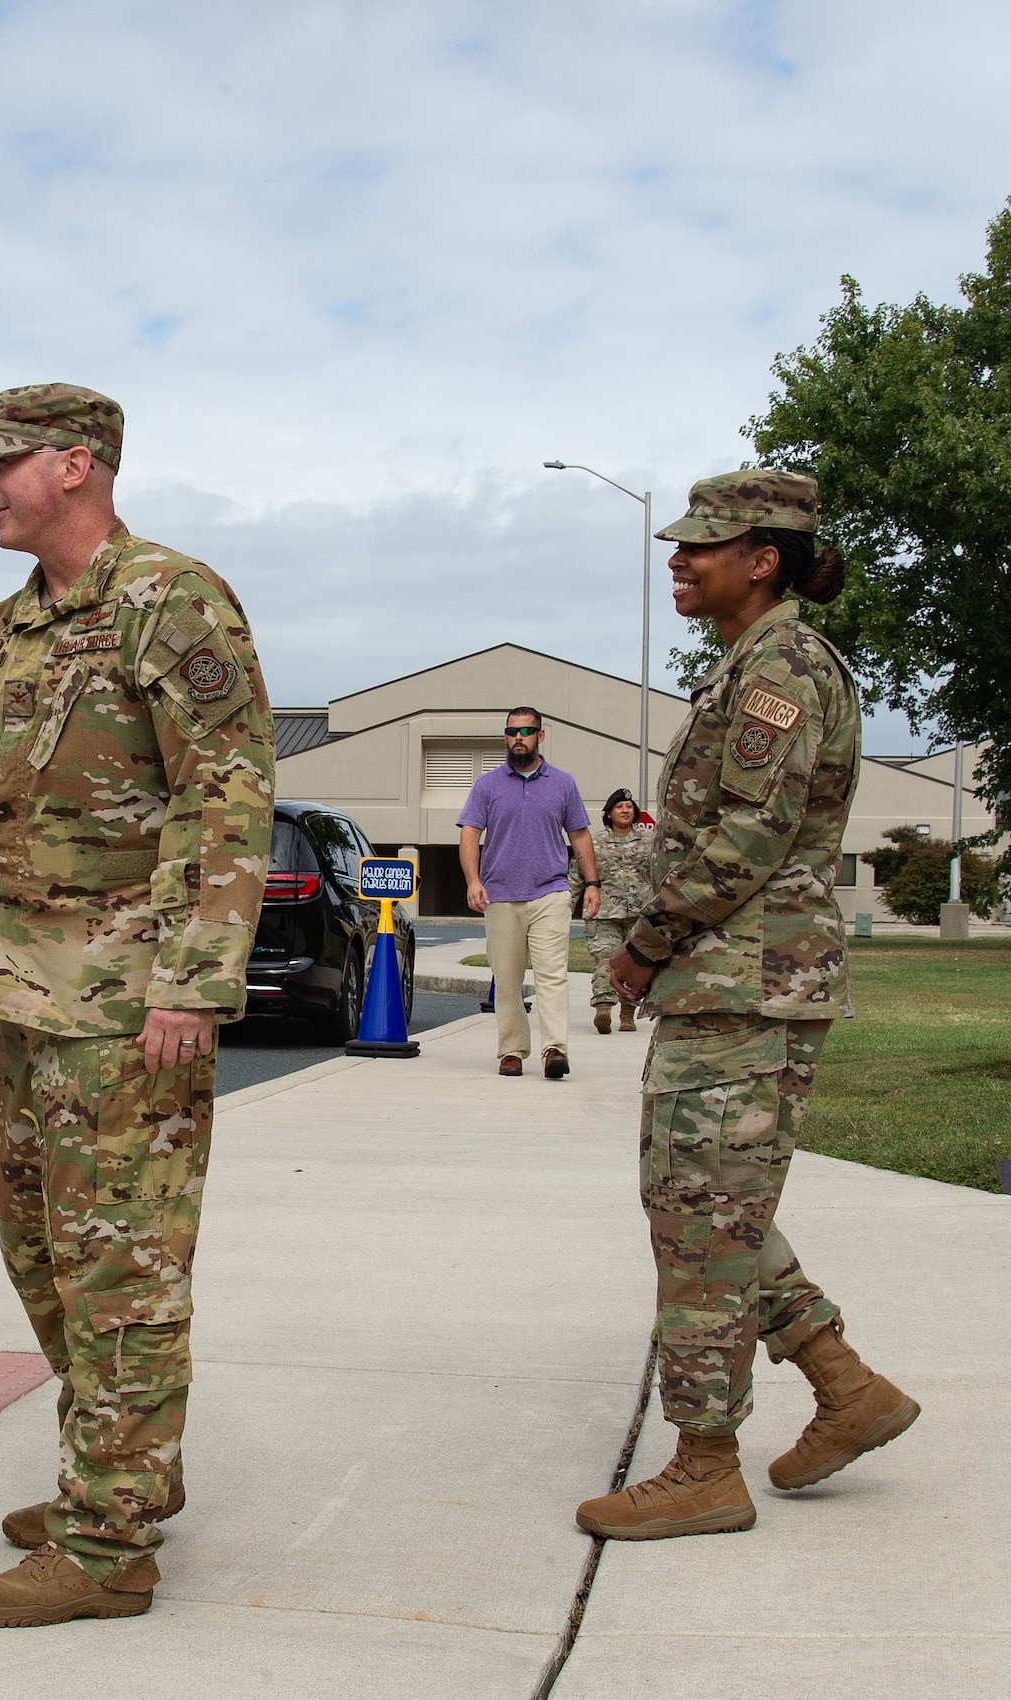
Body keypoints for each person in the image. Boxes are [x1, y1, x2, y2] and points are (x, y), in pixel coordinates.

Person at [0, 384, 274, 1628]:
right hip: (29, 996)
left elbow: (225, 796)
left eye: (0, 465)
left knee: (119, 1272)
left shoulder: (171, 600)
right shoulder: (5, 631)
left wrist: (192, 981)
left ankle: (106, 1542)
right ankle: (123, 1471)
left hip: (131, 1007)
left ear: (75, 465)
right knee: (40, 1259)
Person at [576, 470, 919, 1542]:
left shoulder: (777, 665)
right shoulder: (753, 661)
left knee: (698, 1221)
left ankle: (703, 1463)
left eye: (701, 545)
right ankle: (844, 1382)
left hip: (746, 977)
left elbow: (745, 837)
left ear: (760, 557)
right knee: (702, 1206)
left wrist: (642, 943)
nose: (677, 558)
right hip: (736, 977)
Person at [457, 709, 600, 1079]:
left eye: (527, 731)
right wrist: (473, 881)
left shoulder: (563, 783)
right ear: (505, 736)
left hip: (550, 891)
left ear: (541, 735)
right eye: (512, 731)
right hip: (500, 895)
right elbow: (470, 833)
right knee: (506, 979)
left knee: (552, 974)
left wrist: (592, 884)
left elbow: (580, 835)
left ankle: (555, 1049)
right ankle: (512, 1051)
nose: (519, 737)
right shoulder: (487, 785)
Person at [571, 789, 656, 1033]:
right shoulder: (594, 843)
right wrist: (564, 908)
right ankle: (604, 1009)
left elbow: (664, 872)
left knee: (636, 964)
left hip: (641, 914)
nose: (625, 810)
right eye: (619, 807)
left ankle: (628, 1012)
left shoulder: (650, 841)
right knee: (605, 959)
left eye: (629, 806)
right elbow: (576, 876)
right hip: (603, 914)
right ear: (608, 813)